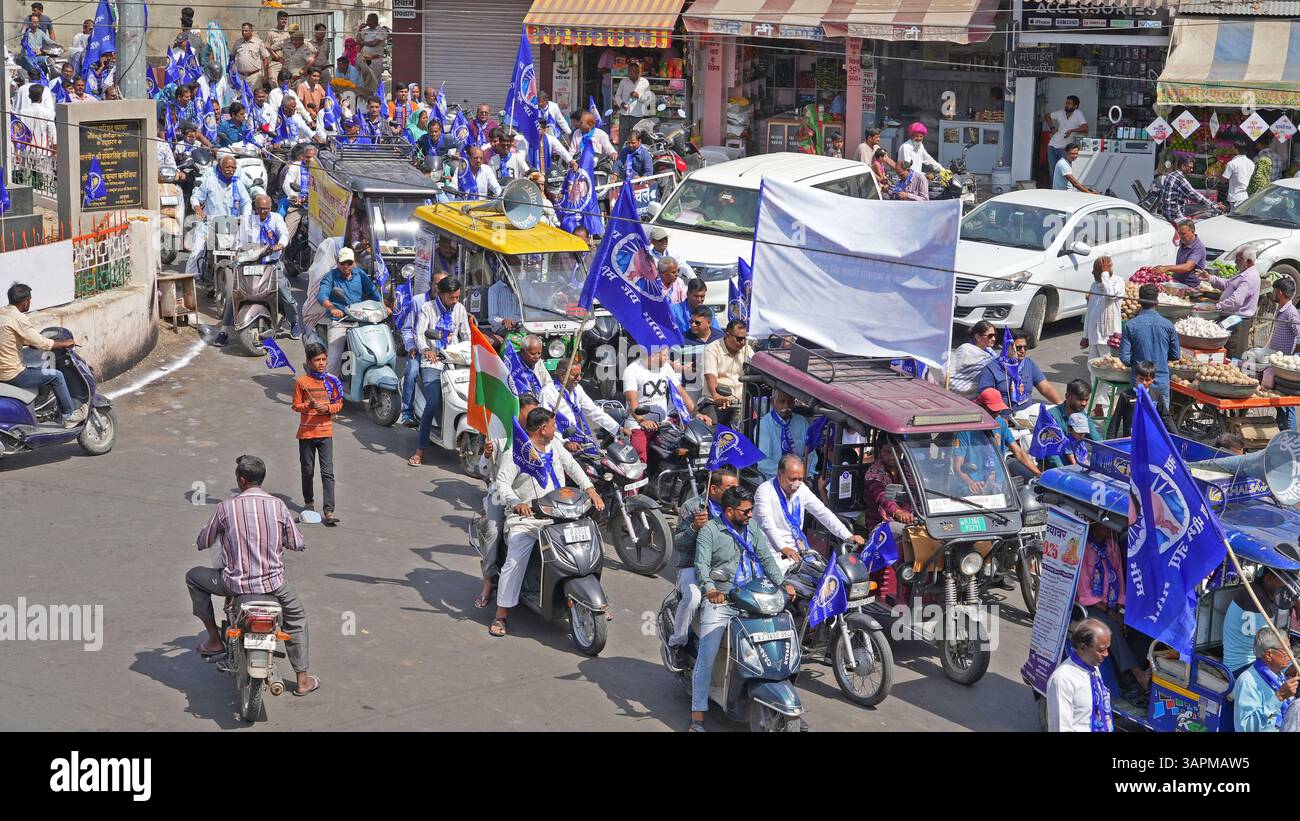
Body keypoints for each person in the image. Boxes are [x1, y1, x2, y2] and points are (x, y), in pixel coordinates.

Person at [188, 455, 319, 697]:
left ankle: (214, 640)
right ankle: (302, 680)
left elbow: (204, 541)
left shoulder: (226, 507)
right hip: (274, 584)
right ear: (261, 479)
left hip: (234, 584)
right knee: (296, 619)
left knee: (193, 577)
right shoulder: (278, 506)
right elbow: (297, 542)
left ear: (241, 479)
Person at [490, 407, 604, 637]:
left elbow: (573, 466)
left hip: (562, 513)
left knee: (588, 542)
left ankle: (592, 598)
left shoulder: (555, 446)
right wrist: (516, 502)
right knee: (515, 559)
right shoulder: (518, 452)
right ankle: (501, 614)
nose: (555, 429)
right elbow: (502, 483)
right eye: (553, 425)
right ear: (543, 429)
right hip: (528, 519)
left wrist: (591, 490)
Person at [690, 485, 793, 731]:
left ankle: (780, 702)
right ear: (729, 510)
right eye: (746, 511)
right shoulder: (710, 532)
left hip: (752, 598)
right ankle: (696, 718)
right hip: (722, 600)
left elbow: (766, 559)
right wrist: (710, 590)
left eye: (751, 510)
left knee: (780, 638)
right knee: (707, 656)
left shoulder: (752, 528)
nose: (750, 515)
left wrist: (783, 583)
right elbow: (701, 567)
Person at [474, 393, 544, 608]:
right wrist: (486, 455)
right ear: (518, 411)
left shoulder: (541, 435)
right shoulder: (500, 435)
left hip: (532, 494)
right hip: (501, 494)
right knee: (494, 532)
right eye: (529, 412)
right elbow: (483, 469)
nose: (533, 417)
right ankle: (487, 582)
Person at [667, 467, 738, 665]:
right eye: (729, 488)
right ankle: (677, 644)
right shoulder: (693, 507)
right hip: (691, 567)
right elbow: (679, 543)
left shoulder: (735, 508)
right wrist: (694, 527)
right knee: (693, 598)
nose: (734, 493)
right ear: (713, 489)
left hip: (725, 568)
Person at [1076, 524, 1151, 701]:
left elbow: (1119, 576)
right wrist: (1111, 612)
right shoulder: (1084, 547)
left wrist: (1120, 608)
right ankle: (1138, 675)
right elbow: (1085, 592)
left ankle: (1130, 675)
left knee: (1139, 625)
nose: (1110, 528)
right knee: (1110, 629)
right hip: (1089, 606)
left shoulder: (1111, 544)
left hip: (1110, 604)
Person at [213, 194, 301, 346]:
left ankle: (294, 322)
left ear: (270, 208)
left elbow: (284, 234)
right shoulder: (247, 220)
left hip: (271, 264)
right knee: (235, 294)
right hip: (249, 264)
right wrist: (240, 252)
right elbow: (239, 241)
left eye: (266, 209)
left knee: (284, 293)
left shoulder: (276, 219)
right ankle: (224, 330)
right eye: (260, 209)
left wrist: (280, 244)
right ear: (255, 208)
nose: (263, 212)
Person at [755, 454, 863, 572]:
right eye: (792, 479)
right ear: (779, 474)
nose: (797, 483)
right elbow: (767, 524)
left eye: (800, 479)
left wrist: (847, 535)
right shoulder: (765, 491)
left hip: (800, 551)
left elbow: (822, 512)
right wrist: (783, 548)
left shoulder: (801, 489)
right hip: (773, 553)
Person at [407, 276, 471, 466]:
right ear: (441, 294)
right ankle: (420, 449)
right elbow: (419, 334)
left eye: (458, 297)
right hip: (433, 362)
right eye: (452, 297)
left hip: (456, 360)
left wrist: (473, 350)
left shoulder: (460, 308)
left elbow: (466, 334)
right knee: (433, 402)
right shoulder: (427, 308)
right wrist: (427, 350)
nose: (455, 301)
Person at [0, 283, 81, 427]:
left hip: (2, 370)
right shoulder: (18, 318)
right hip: (12, 374)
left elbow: (8, 337)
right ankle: (69, 416)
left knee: (37, 368)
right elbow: (42, 342)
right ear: (24, 301)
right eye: (29, 299)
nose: (30, 302)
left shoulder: (2, 313)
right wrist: (63, 344)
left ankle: (41, 407)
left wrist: (24, 342)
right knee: (56, 376)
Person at [291, 342, 344, 526]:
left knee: (327, 472)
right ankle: (309, 503)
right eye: (317, 360)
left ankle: (329, 511)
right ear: (309, 361)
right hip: (306, 434)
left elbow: (339, 404)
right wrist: (309, 405)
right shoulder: (301, 383)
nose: (321, 363)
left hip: (325, 433)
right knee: (307, 471)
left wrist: (327, 407)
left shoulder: (332, 381)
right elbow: (296, 405)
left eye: (324, 359)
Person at [623, 345, 702, 464]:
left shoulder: (665, 367)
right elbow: (631, 400)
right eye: (664, 355)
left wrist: (696, 413)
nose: (667, 359)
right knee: (639, 461)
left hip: (663, 424)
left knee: (683, 451)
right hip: (639, 425)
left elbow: (680, 391)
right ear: (653, 354)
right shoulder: (632, 370)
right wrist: (641, 420)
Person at [316, 246, 385, 370]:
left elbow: (372, 291)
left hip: (359, 321)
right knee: (333, 360)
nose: (346, 266)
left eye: (349, 263)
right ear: (338, 263)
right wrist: (332, 308)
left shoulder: (360, 274)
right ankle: (329, 387)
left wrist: (382, 307)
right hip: (339, 322)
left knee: (371, 353)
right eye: (343, 263)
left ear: (354, 262)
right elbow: (322, 295)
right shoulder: (330, 276)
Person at [541, 354, 632, 446]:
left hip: (577, 437)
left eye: (581, 374)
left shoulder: (578, 389)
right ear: (562, 375)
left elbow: (593, 411)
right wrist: (565, 442)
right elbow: (545, 424)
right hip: (558, 442)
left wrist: (617, 428)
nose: (579, 378)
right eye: (575, 376)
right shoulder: (548, 393)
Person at [188, 153, 253, 278]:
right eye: (227, 167)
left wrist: (245, 216)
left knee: (247, 252)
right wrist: (198, 208)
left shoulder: (238, 184)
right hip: (210, 224)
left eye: (233, 168)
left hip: (232, 226)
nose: (230, 170)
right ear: (220, 167)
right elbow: (196, 197)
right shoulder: (210, 182)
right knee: (196, 253)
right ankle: (190, 284)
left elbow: (247, 202)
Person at [1045, 619, 1113, 732]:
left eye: (1107, 649)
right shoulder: (1063, 680)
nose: (1106, 654)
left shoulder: (1092, 667)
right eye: (1101, 650)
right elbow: (1061, 728)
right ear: (1082, 648)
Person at [1119, 285, 1180, 403]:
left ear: (1139, 302)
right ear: (1156, 302)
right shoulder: (1168, 325)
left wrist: (1139, 366)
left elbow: (1125, 357)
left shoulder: (1130, 325)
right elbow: (1176, 355)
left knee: (1140, 419)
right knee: (1161, 420)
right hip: (1161, 381)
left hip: (1140, 383)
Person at [1223, 570, 1292, 674]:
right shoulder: (1255, 599)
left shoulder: (1267, 594)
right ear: (1269, 578)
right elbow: (1268, 650)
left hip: (1260, 658)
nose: (1289, 585)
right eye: (1286, 580)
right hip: (1242, 665)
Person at [977, 330, 1062, 412]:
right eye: (1018, 348)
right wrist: (999, 419)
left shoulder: (1028, 364)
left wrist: (1062, 406)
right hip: (1005, 420)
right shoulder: (991, 369)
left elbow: (1046, 389)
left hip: (1028, 416)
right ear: (1007, 347)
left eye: (1025, 347)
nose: (1023, 351)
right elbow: (985, 399)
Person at [1200, 245, 1261, 359]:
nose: (1235, 262)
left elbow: (1236, 301)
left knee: (1234, 352)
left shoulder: (1249, 278)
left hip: (1238, 321)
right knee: (1226, 349)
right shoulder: (1243, 272)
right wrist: (1210, 278)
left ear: (1248, 261)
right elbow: (1228, 285)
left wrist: (1216, 306)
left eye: (1238, 260)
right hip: (1231, 319)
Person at [1233, 628, 1297, 732]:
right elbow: (1245, 728)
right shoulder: (1248, 681)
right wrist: (1279, 697)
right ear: (1268, 655)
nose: (1291, 654)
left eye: (1290, 648)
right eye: (1285, 650)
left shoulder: (1278, 672)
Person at [971, 388, 1042, 481]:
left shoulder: (1000, 423)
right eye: (993, 411)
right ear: (981, 406)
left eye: (998, 411)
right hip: (975, 482)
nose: (996, 414)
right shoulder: (969, 426)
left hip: (999, 481)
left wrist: (1038, 474)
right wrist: (970, 481)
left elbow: (1018, 452)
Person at [858, 438, 917, 535]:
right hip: (881, 524)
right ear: (880, 451)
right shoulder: (873, 474)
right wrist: (898, 512)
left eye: (897, 451)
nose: (892, 456)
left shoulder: (908, 468)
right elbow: (882, 496)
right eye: (887, 452)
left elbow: (917, 491)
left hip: (910, 519)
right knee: (909, 533)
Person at [701, 319, 750, 428]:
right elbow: (710, 376)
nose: (742, 342)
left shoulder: (746, 349)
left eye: (744, 339)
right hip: (716, 404)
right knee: (713, 436)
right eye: (739, 339)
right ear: (727, 335)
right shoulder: (712, 349)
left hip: (740, 405)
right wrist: (716, 396)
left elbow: (757, 365)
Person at [1107, 360, 1174, 438]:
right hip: (1131, 439)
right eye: (1141, 379)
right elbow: (1116, 419)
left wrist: (1177, 436)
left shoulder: (1156, 395)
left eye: (1147, 380)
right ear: (1136, 377)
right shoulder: (1126, 395)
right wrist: (1108, 440)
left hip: (1150, 438)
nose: (1144, 382)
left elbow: (1165, 417)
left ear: (1153, 380)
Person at [1081, 256, 1125, 372]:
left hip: (1108, 337)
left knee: (1108, 369)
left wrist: (1104, 273)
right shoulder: (1094, 285)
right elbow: (1090, 311)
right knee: (1093, 368)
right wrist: (1085, 335)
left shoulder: (1118, 282)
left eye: (1095, 270)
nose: (1092, 273)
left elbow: (1110, 294)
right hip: (1094, 336)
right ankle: (1096, 391)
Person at [1147, 155, 1221, 224]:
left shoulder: (1172, 174)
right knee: (1200, 221)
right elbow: (1193, 194)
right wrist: (1213, 205)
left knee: (1199, 209)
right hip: (1174, 214)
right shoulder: (1179, 178)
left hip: (1167, 210)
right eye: (1190, 167)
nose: (1192, 170)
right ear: (1183, 166)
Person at [756, 390, 810, 480]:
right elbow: (763, 463)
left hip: (800, 477)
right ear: (772, 402)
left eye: (790, 402)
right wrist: (788, 474)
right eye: (782, 401)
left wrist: (807, 474)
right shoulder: (764, 425)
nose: (786, 406)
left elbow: (811, 454)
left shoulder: (802, 422)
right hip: (772, 479)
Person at [1151, 219, 1207, 288]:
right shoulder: (1184, 242)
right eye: (1179, 233)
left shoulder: (1198, 247)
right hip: (1178, 282)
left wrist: (1167, 268)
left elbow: (1187, 267)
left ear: (1192, 231)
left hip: (1190, 286)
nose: (1180, 236)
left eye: (1183, 233)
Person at [950, 321, 998, 399]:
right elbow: (951, 373)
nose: (993, 339)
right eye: (990, 336)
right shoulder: (966, 350)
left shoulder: (990, 351)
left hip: (979, 394)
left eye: (995, 335)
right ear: (978, 337)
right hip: (960, 395)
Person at [1044, 95, 1088, 174]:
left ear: (1075, 106)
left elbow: (1085, 128)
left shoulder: (1078, 113)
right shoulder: (1061, 113)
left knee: (1064, 172)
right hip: (1052, 145)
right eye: (1066, 103)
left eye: (1069, 103)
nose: (1066, 105)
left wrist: (1072, 131)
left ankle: (1062, 187)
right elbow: (1047, 116)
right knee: (1053, 171)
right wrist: (1052, 128)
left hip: (1065, 149)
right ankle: (1053, 187)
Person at [614, 60, 654, 142]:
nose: (633, 73)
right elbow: (617, 96)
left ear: (639, 72)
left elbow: (648, 100)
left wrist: (638, 96)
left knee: (637, 138)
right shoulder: (623, 82)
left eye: (635, 71)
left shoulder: (644, 82)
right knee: (623, 138)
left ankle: (636, 154)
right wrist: (621, 104)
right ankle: (622, 154)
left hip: (638, 115)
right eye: (631, 71)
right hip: (624, 114)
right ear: (628, 72)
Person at [232, 22, 271, 92]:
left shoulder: (258, 42)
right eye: (242, 31)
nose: (244, 32)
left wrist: (266, 75)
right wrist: (232, 72)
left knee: (254, 97)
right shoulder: (238, 42)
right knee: (240, 99)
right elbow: (232, 56)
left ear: (251, 31)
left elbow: (265, 59)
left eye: (246, 31)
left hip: (254, 77)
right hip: (240, 77)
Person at [1223, 141, 1255, 210]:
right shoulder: (1251, 163)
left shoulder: (1232, 163)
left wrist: (1220, 171)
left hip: (1235, 197)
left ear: (1235, 149)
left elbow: (1223, 179)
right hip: (1246, 197)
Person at [266, 10, 292, 80]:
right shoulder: (271, 33)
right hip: (275, 63)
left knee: (287, 82)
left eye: (285, 19)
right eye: (282, 19)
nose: (284, 21)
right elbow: (267, 48)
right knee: (273, 80)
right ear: (277, 19)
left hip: (287, 63)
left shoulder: (289, 33)